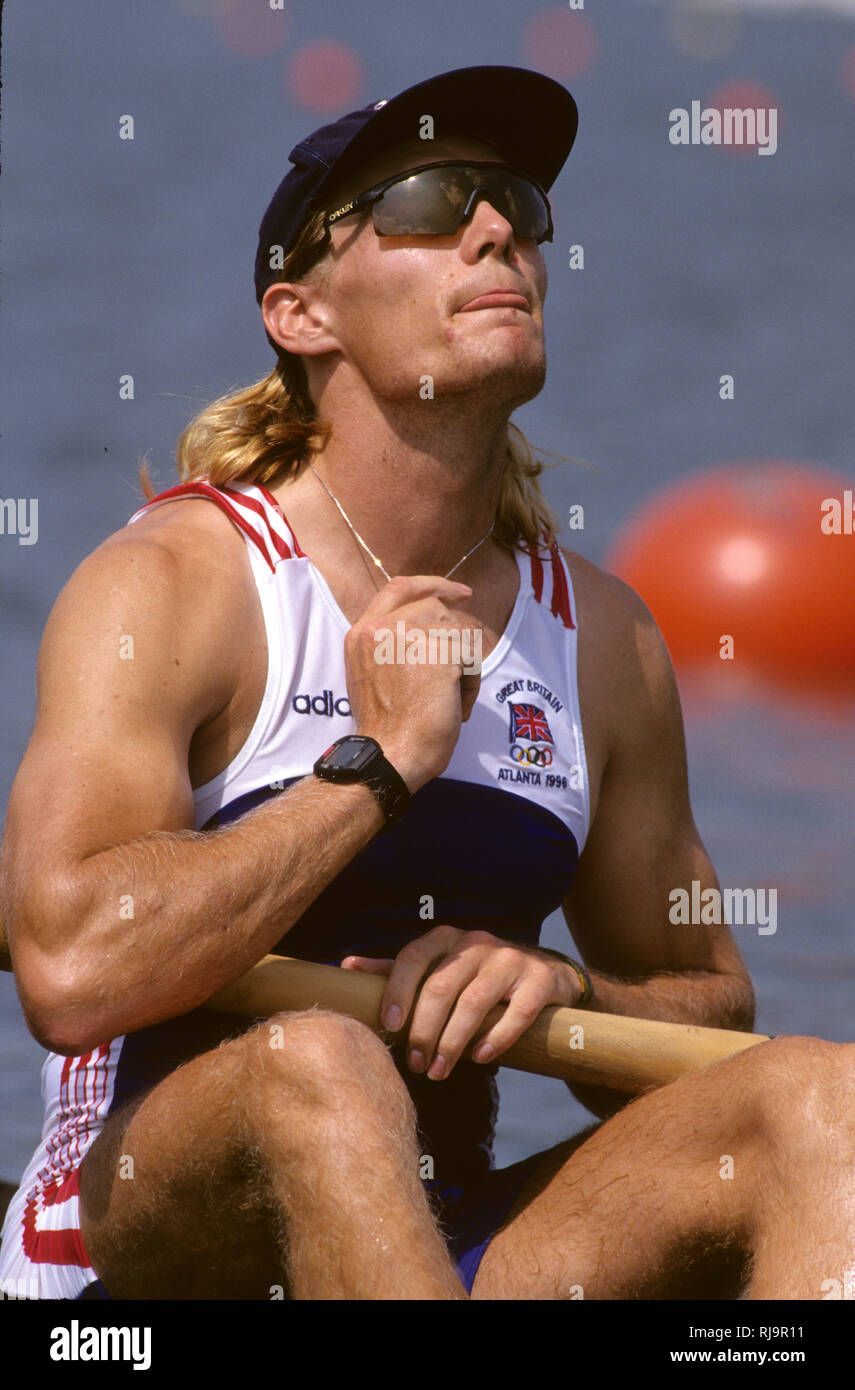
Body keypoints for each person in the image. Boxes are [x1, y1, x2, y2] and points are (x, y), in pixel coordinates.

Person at [1, 65, 853, 1302]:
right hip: (138, 1240)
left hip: (437, 1235)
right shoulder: (175, 586)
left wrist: (571, 985)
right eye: (429, 201)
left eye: (511, 201)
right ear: (301, 314)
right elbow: (71, 971)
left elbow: (710, 1012)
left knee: (819, 1098)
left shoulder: (601, 640)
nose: (497, 226)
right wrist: (380, 767)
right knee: (327, 1064)